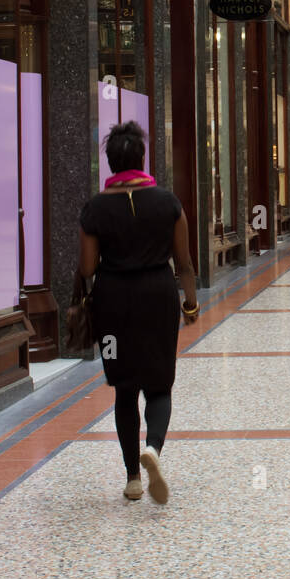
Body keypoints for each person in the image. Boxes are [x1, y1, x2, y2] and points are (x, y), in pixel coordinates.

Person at [78, 121, 199, 503]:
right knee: (159, 384)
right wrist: (191, 303)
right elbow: (184, 263)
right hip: (158, 300)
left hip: (112, 305)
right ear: (141, 158)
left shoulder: (95, 208)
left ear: (112, 162)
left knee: (124, 388)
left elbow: (86, 268)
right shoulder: (167, 202)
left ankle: (132, 477)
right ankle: (155, 451)